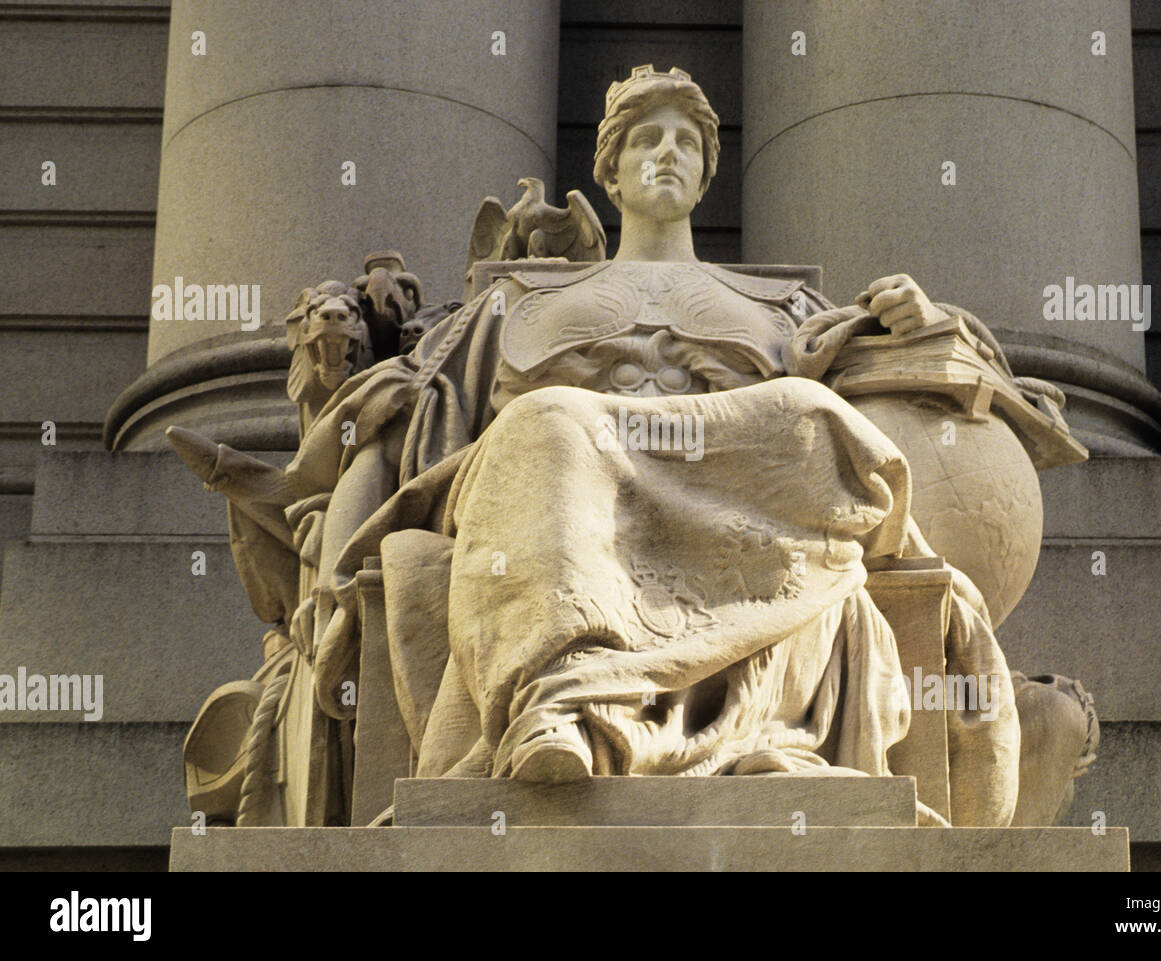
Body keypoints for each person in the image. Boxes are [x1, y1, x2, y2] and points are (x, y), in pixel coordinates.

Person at [285, 66, 1019, 825]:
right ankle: (560, 707)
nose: (666, 153)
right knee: (551, 422)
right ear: (610, 170)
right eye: (645, 139)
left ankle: (605, 708)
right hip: (565, 489)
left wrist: (923, 323)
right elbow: (392, 422)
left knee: (808, 408)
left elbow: (935, 396)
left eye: (686, 142)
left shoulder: (785, 311)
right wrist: (336, 551)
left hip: (731, 491)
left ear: (706, 172)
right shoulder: (516, 308)